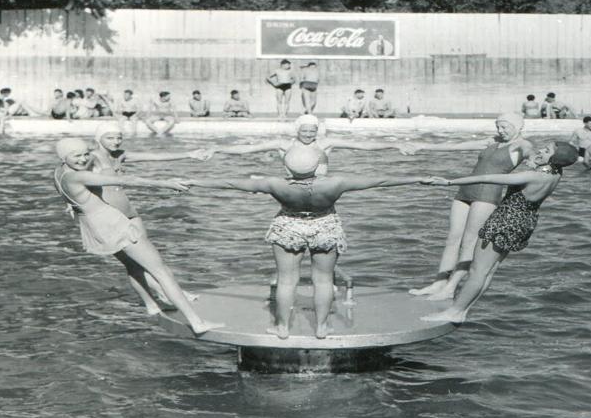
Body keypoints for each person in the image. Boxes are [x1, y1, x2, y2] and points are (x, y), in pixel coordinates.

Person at [186, 144, 429, 340]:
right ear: (318, 166)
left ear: (288, 168)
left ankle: (282, 328)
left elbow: (231, 184)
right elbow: (380, 181)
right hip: (325, 226)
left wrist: (192, 181)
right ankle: (322, 328)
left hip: (288, 226)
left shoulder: (275, 184)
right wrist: (419, 178)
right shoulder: (336, 183)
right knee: (323, 281)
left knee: (286, 280)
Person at [50, 138, 222, 336]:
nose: (83, 159)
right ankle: (196, 321)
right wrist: (164, 183)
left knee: (133, 266)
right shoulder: (77, 177)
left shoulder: (59, 173)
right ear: (64, 157)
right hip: (113, 223)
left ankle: (152, 305)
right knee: (161, 270)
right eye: (76, 156)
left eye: (85, 154)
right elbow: (126, 180)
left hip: (93, 225)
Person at [419, 142, 581, 325]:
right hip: (523, 222)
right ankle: (463, 310)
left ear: (554, 159)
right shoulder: (555, 174)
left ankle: (454, 311)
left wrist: (448, 182)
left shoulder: (532, 176)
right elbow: (542, 170)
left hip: (505, 220)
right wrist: (538, 162)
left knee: (477, 270)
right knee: (489, 271)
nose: (541, 150)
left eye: (547, 150)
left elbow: (488, 178)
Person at [404, 114, 536, 300]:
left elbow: (530, 151)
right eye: (498, 127)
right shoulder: (492, 141)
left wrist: (532, 160)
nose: (500, 131)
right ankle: (438, 283)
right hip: (466, 190)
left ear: (518, 127)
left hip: (488, 195)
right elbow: (456, 146)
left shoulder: (521, 145)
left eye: (505, 127)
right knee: (452, 239)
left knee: (469, 242)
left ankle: (451, 288)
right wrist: (423, 146)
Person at [209, 114, 414, 179]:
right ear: (297, 130)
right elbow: (247, 149)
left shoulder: (326, 143)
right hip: (292, 189)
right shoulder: (284, 144)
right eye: (304, 131)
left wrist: (393, 145)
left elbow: (361, 145)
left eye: (312, 131)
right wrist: (217, 149)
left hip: (319, 189)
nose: (308, 134)